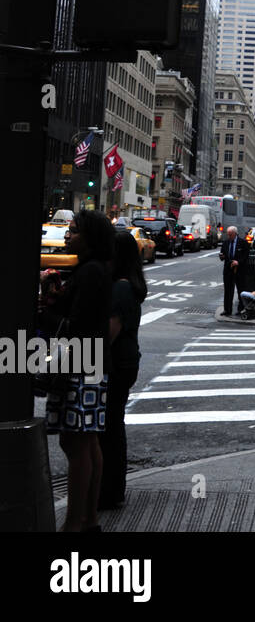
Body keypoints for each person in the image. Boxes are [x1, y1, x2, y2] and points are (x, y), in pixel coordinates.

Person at [40, 209, 115, 531]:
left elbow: (77, 325)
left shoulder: (90, 272)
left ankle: (75, 522)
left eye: (74, 231)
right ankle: (88, 519)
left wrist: (45, 313)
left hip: (79, 364)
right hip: (89, 363)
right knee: (86, 441)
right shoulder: (93, 270)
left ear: (91, 238)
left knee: (76, 443)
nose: (67, 236)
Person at [99, 230, 145, 511]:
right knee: (114, 426)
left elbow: (109, 334)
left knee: (110, 429)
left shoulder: (120, 289)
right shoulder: (130, 285)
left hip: (117, 364)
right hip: (127, 362)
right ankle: (114, 488)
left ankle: (111, 489)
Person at [218, 226, 248, 317]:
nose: (229, 236)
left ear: (235, 234)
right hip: (228, 269)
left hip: (239, 269)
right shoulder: (226, 243)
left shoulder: (242, 242)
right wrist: (222, 256)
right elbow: (222, 255)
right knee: (228, 290)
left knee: (241, 290)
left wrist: (238, 262)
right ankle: (227, 309)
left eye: (230, 234)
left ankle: (241, 309)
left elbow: (246, 256)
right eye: (228, 234)